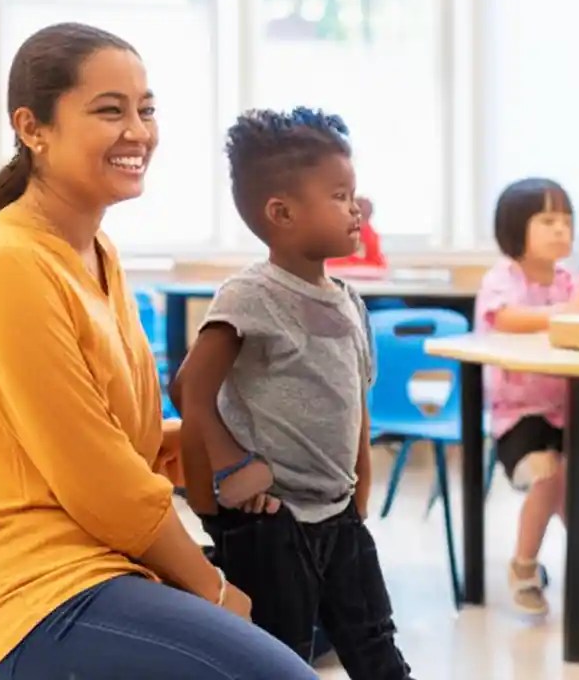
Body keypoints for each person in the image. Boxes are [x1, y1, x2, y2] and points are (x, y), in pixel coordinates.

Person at [0, 23, 316, 680]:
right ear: (33, 129)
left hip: (111, 564)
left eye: (146, 108)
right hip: (38, 592)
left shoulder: (98, 252)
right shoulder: (8, 263)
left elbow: (112, 436)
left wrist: (215, 449)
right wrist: (212, 588)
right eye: (110, 110)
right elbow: (97, 477)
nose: (138, 131)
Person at [171, 107, 412, 678]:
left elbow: (356, 401)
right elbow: (189, 390)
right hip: (271, 522)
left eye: (352, 192)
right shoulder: (249, 295)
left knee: (376, 647)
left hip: (339, 516)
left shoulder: (351, 302)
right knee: (279, 660)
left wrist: (360, 487)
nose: (355, 208)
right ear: (280, 213)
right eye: (338, 195)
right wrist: (234, 467)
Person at [476, 177, 579, 619]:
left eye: (566, 221)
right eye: (547, 220)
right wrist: (576, 307)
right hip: (522, 414)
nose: (561, 230)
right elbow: (508, 320)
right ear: (514, 228)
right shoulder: (501, 280)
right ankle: (524, 567)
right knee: (550, 477)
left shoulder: (571, 279)